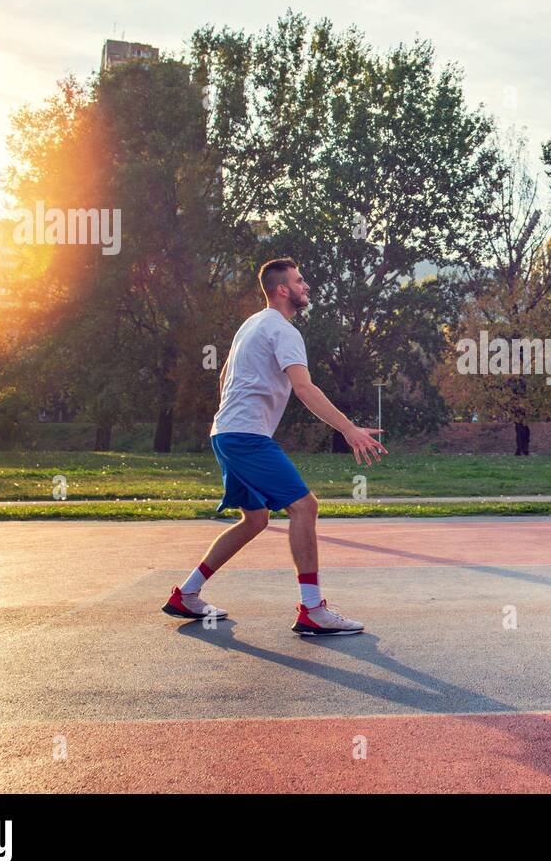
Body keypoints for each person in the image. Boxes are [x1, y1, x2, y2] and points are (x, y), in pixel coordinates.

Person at [162, 258, 386, 636]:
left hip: (227, 432)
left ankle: (188, 593)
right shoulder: (283, 330)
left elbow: (223, 374)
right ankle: (312, 609)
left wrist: (229, 415)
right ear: (282, 289)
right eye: (300, 281)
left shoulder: (251, 324)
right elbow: (304, 388)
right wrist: (349, 429)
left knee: (256, 519)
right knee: (305, 506)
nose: (307, 286)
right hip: (245, 436)